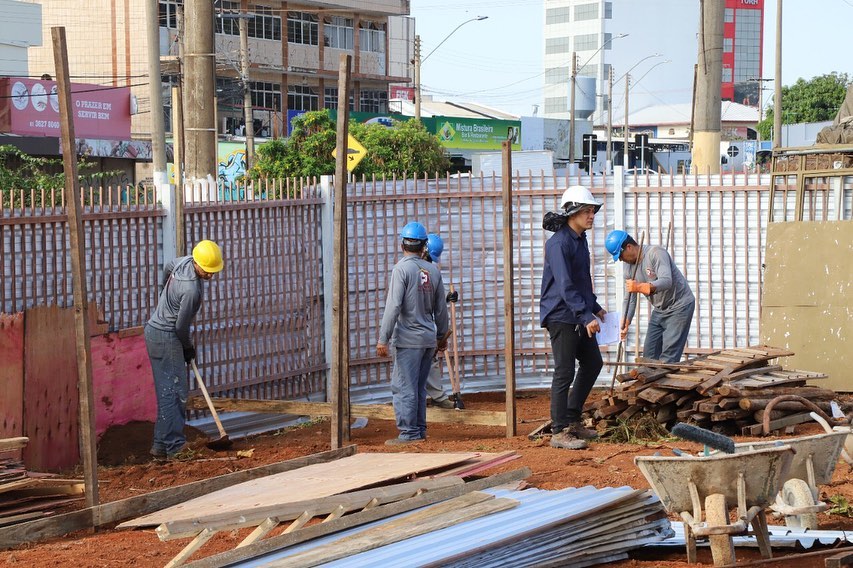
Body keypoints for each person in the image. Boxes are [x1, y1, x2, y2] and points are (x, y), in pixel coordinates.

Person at [144, 240, 224, 460]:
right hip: (167, 336)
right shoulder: (190, 290)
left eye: (213, 271)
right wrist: (188, 348)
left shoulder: (184, 262)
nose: (210, 275)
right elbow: (181, 327)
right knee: (175, 394)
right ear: (198, 264)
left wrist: (163, 293)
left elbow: (168, 265)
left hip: (153, 332)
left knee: (165, 392)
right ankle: (175, 446)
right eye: (207, 271)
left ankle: (160, 447)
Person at [540, 186, 605, 450]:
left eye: (592, 211)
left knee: (593, 363)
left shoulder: (580, 240)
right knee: (564, 371)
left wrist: (595, 307)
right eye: (587, 211)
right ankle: (559, 431)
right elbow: (565, 285)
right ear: (573, 213)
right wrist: (584, 314)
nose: (591, 216)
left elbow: (581, 282)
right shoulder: (558, 243)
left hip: (578, 313)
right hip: (561, 315)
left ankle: (573, 419)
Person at [377, 222, 449, 445]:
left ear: (402, 244)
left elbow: (394, 306)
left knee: (404, 387)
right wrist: (442, 337)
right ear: (424, 246)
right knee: (418, 387)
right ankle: (418, 431)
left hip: (408, 340)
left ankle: (409, 434)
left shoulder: (401, 269)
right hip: (428, 340)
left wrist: (383, 338)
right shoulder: (433, 271)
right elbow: (441, 309)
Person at [605, 230, 695, 363]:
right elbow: (629, 299)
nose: (620, 259)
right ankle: (648, 382)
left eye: (620, 255)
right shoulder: (628, 268)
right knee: (649, 355)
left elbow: (666, 281)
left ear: (629, 247)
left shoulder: (655, 253)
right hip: (660, 309)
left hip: (679, 306)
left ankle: (664, 383)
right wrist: (625, 320)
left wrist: (641, 287)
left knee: (668, 357)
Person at [422, 233, 455, 410]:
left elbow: (436, 301)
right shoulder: (409, 270)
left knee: (430, 359)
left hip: (421, 327)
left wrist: (446, 297)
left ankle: (437, 397)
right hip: (413, 328)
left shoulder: (430, 271)